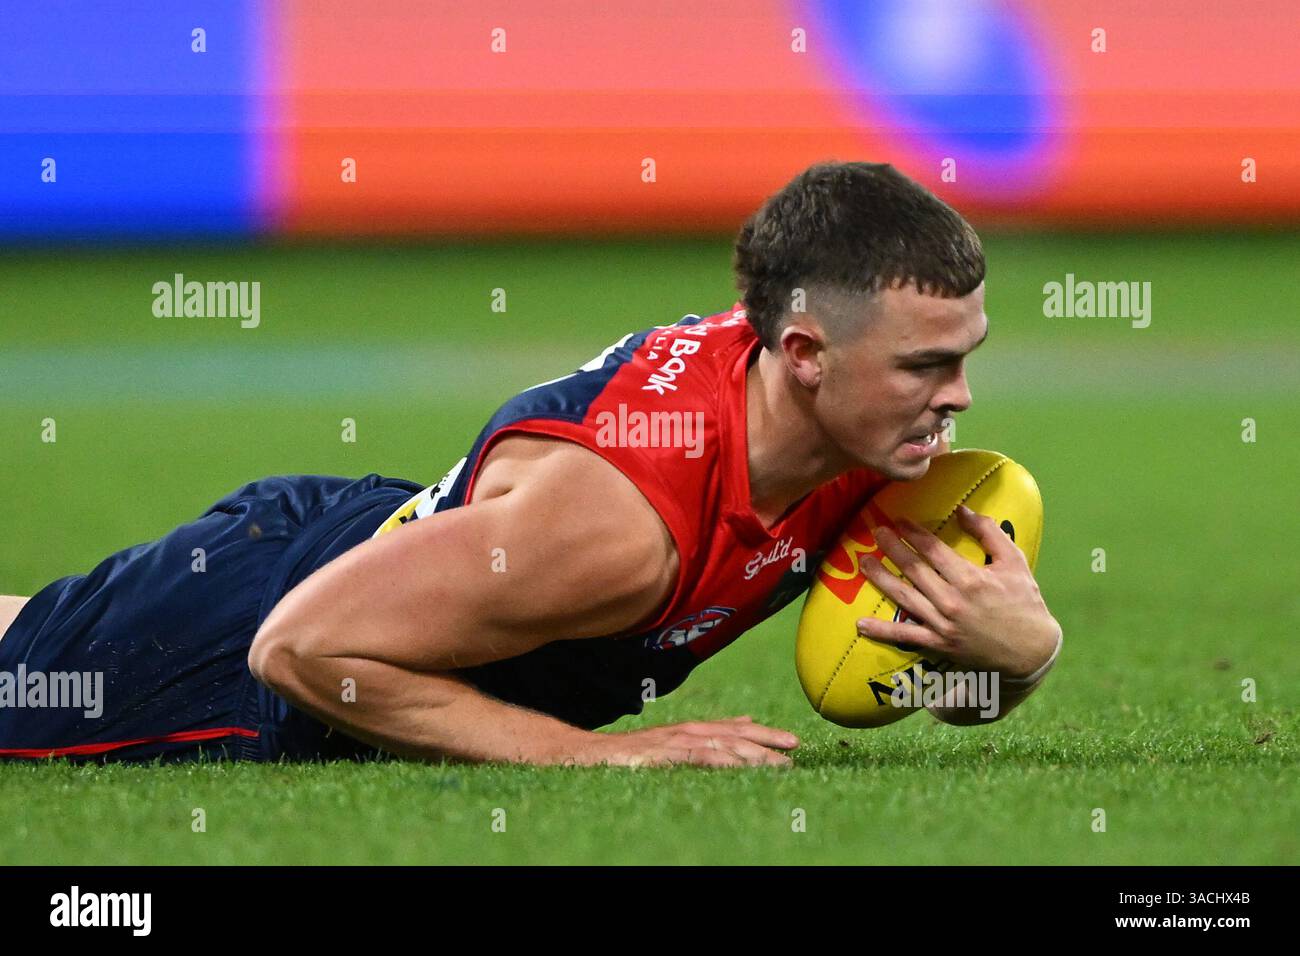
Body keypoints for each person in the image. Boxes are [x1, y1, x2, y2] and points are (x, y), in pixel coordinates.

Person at [0, 161, 1062, 767]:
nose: (958, 396)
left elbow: (893, 686)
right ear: (801, 355)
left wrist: (1017, 658)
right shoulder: (621, 525)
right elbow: (302, 649)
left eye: (965, 356)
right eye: (924, 364)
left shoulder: (849, 433)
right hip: (248, 633)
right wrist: (603, 756)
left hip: (403, 552)